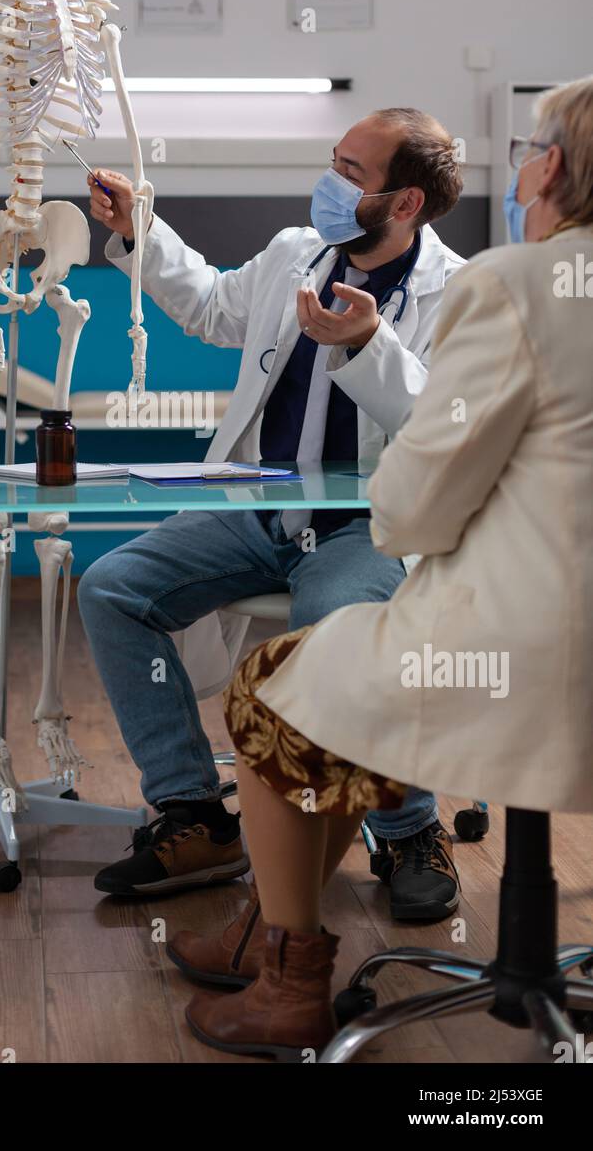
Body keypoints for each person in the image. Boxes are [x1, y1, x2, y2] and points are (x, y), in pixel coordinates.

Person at [169, 75, 593, 1059]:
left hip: (519, 653)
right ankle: (296, 916)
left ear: (555, 167)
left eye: (532, 146)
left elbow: (409, 505)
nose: (521, 166)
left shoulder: (504, 285)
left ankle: (287, 973)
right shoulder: (298, 259)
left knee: (274, 693)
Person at [77, 108, 466, 919]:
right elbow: (216, 308)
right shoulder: (299, 252)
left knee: (339, 625)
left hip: (366, 524)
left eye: (350, 174)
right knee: (113, 587)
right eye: (332, 162)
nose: (328, 184)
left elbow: (446, 423)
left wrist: (369, 345)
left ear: (406, 204)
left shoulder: (457, 293)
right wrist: (143, 233)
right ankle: (192, 813)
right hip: (257, 510)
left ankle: (406, 827)